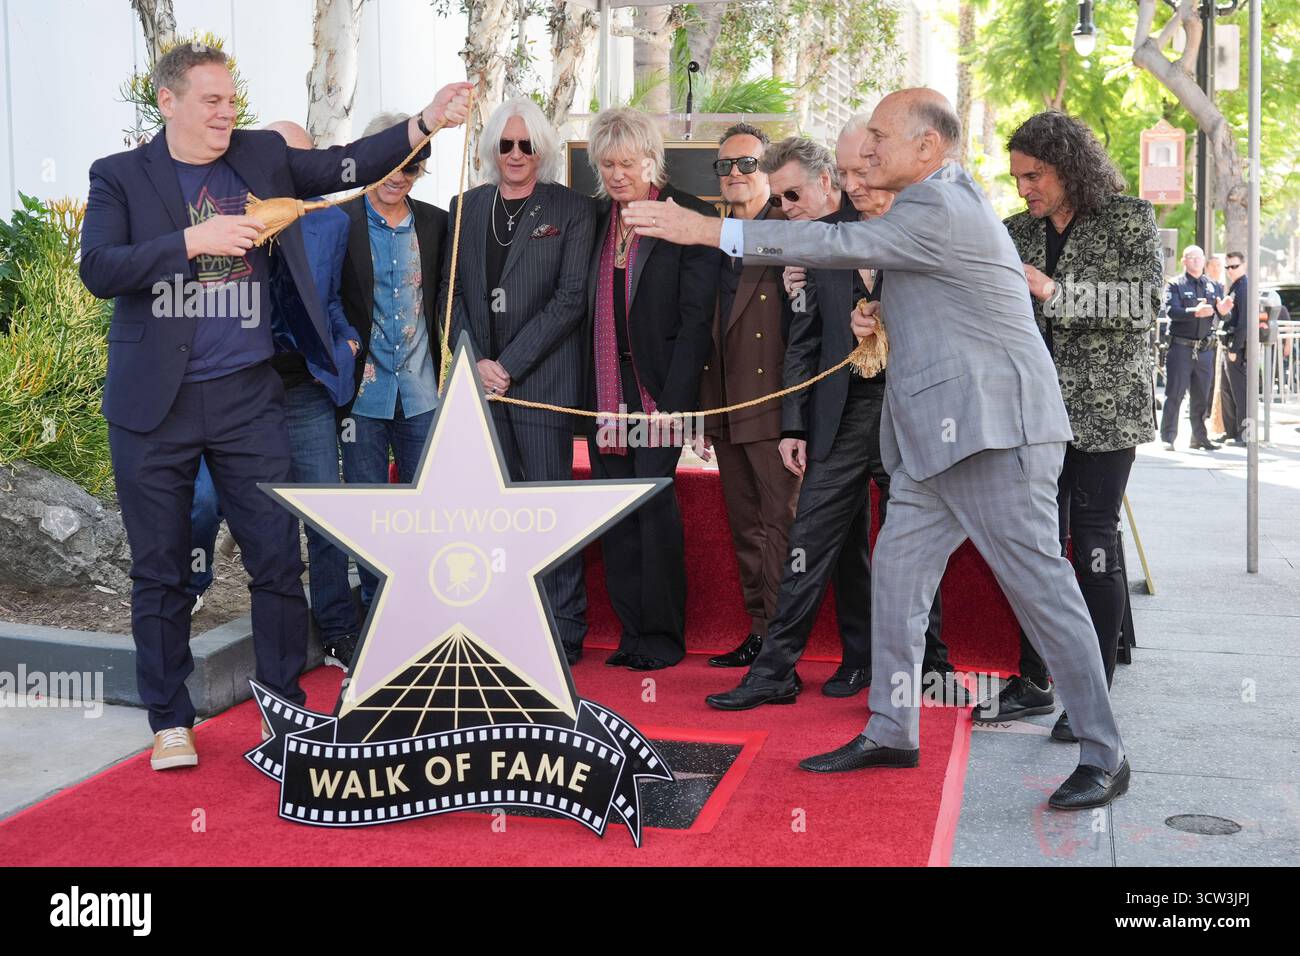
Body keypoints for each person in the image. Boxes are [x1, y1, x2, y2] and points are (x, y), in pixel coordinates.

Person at [623, 88, 1129, 810]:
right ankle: (894, 727)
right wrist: (879, 314)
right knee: (896, 578)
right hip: (933, 439)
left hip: (992, 432)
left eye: (881, 139)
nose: (867, 153)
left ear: (928, 147)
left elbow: (834, 242)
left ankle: (1105, 752)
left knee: (1042, 589)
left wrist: (707, 231)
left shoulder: (938, 204)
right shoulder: (933, 203)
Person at [79, 39, 470, 771]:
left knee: (274, 560)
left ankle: (283, 706)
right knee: (161, 567)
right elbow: (100, 269)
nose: (228, 111)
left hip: (247, 400)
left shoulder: (261, 156)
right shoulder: (120, 177)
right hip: (153, 406)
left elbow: (349, 163)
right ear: (169, 103)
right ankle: (170, 719)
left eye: (232, 99)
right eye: (212, 100)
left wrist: (425, 122)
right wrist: (192, 240)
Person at [707, 119, 955, 709]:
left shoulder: (925, 228)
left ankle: (932, 665)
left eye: (861, 171)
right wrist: (793, 424)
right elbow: (803, 340)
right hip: (841, 412)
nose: (855, 182)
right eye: (847, 174)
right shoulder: (825, 241)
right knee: (815, 538)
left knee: (914, 542)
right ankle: (779, 672)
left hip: (913, 412)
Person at [983, 111, 1162, 742]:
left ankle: (1090, 697)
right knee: (1035, 549)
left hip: (1105, 415)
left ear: (1069, 165)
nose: (1024, 188)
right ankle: (1035, 678)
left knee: (1091, 544)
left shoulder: (1128, 218)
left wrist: (1053, 291)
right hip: (1029, 417)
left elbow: (1143, 304)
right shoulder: (1011, 231)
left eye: (1034, 175)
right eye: (1018, 178)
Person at [437, 97, 594, 664]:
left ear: (544, 149)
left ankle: (562, 630)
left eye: (527, 144)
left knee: (545, 510)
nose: (516, 154)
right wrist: (474, 361)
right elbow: (448, 294)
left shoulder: (572, 209)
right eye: (506, 144)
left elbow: (571, 298)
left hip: (542, 386)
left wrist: (509, 365)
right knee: (493, 513)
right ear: (490, 149)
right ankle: (501, 624)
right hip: (479, 387)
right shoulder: (466, 206)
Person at [583, 107, 719, 671]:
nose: (617, 175)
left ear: (651, 160)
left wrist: (677, 407)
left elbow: (696, 323)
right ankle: (631, 633)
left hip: (660, 396)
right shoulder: (596, 220)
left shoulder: (688, 216)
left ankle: (662, 638)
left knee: (653, 513)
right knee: (616, 516)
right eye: (607, 164)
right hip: (604, 396)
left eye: (628, 163)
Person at [695, 123, 801, 671]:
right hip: (727, 404)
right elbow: (705, 329)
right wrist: (704, 412)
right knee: (746, 528)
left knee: (780, 526)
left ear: (766, 170)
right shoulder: (712, 237)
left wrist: (797, 421)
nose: (735, 175)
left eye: (747, 164)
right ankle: (760, 632)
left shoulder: (789, 229)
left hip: (776, 403)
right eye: (725, 166)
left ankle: (780, 648)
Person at [338, 112, 450, 614]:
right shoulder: (339, 221)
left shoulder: (437, 223)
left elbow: (451, 299)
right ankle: (378, 608)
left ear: (421, 170)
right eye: (387, 163)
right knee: (369, 512)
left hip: (422, 392)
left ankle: (422, 607)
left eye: (409, 165)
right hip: (362, 396)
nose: (396, 175)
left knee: (424, 510)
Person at [262, 119, 364, 670]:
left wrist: (346, 339)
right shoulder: (237, 213)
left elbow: (328, 298)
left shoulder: (330, 220)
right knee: (266, 520)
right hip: (247, 393)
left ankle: (337, 631)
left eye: (300, 159)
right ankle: (276, 636)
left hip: (306, 391)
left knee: (326, 513)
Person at [1160, 245, 1233, 451]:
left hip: (1204, 349)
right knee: (1174, 394)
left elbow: (1222, 316)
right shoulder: (1175, 284)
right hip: (1181, 348)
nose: (1196, 261)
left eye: (1199, 257)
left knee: (1201, 397)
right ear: (1184, 261)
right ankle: (1168, 437)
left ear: (1204, 261)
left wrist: (1224, 312)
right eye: (1191, 257)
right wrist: (1194, 312)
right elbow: (1171, 311)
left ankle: (1199, 437)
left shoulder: (1213, 285)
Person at [1217, 251, 1250, 446]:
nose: (1230, 270)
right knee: (1226, 391)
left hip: (1236, 347)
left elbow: (1244, 322)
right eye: (1227, 267)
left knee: (1240, 392)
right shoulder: (1236, 286)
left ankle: (1243, 435)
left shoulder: (1244, 287)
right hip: (1228, 344)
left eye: (1234, 266)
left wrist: (1235, 348)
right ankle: (1231, 432)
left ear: (1243, 265)